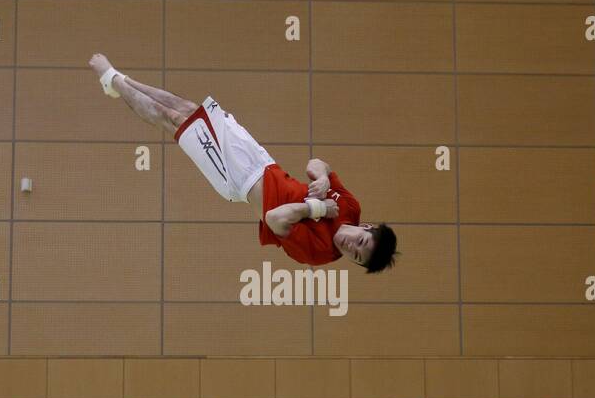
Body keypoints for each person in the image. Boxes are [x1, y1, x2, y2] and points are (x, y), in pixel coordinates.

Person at [89, 53, 398, 272]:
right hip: (263, 161)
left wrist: (316, 208)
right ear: (366, 227)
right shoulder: (351, 207)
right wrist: (322, 179)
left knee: (173, 121)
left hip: (237, 180)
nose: (350, 248)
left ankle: (110, 79)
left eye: (356, 257)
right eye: (360, 242)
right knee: (188, 108)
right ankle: (118, 79)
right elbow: (318, 163)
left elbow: (275, 218)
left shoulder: (320, 254)